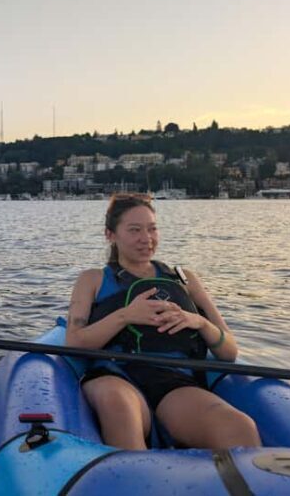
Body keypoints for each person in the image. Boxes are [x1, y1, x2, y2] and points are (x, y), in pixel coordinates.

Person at [65, 192, 260, 450]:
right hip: (115, 373)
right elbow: (74, 341)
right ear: (110, 235)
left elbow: (229, 352)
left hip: (172, 380)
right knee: (120, 407)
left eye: (152, 229)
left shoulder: (185, 279)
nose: (146, 239)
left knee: (239, 427)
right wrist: (125, 315)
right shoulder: (92, 280)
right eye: (134, 230)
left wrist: (199, 322)